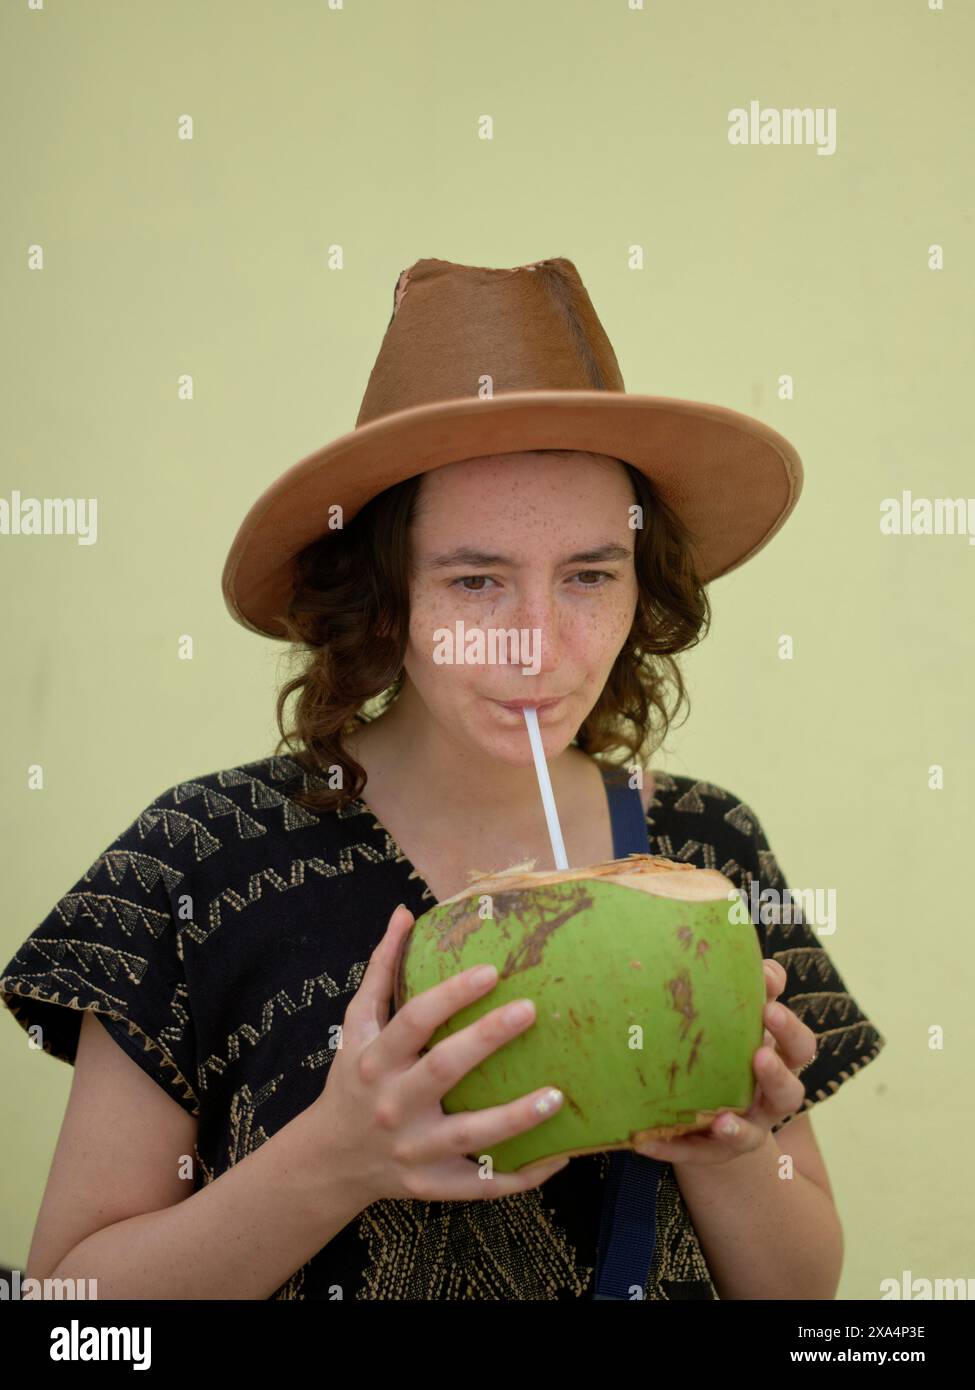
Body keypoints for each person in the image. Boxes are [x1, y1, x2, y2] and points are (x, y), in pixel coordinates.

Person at [0, 258, 886, 1300]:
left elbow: (801, 1299)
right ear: (382, 599)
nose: (538, 647)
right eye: (477, 580)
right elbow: (70, 1315)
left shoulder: (703, 847)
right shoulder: (199, 855)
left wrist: (739, 1152)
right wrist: (336, 1158)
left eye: (590, 576)